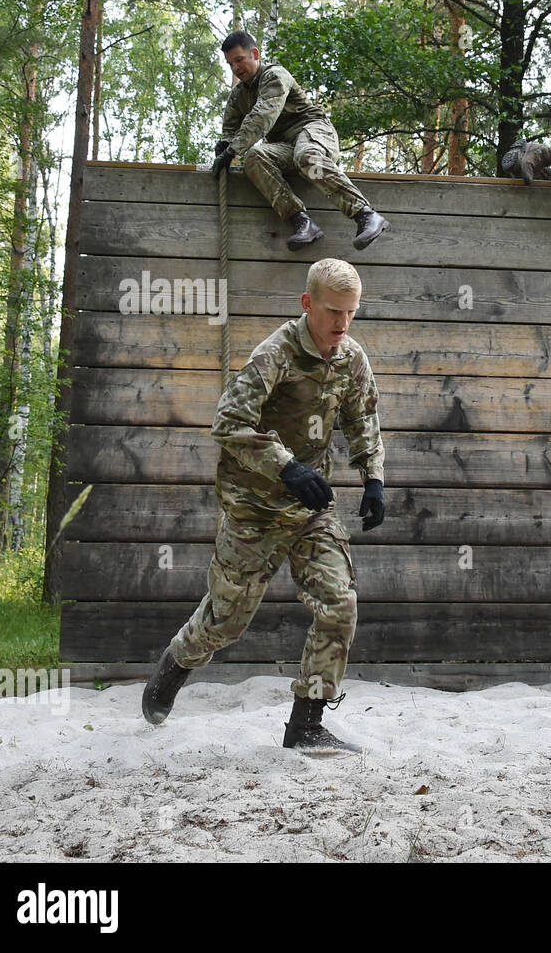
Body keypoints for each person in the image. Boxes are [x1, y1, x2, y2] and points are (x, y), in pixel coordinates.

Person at [141, 258, 386, 755]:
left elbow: (363, 421)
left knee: (340, 604)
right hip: (254, 508)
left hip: (311, 510)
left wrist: (374, 478)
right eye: (333, 311)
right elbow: (228, 422)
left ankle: (306, 723)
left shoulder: (350, 358)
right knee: (226, 623)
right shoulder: (274, 354)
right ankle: (177, 662)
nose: (342, 323)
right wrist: (287, 465)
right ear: (307, 304)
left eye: (351, 313)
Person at [211, 30, 389, 252]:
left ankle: (365, 214)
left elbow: (263, 115)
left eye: (239, 60)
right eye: (230, 64)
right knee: (254, 157)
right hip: (286, 147)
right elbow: (230, 129)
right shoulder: (239, 96)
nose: (236, 68)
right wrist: (223, 147)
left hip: (313, 131)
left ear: (255, 54)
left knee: (305, 155)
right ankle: (302, 222)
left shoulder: (275, 75)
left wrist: (232, 151)